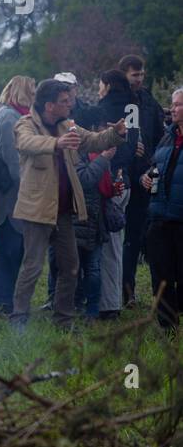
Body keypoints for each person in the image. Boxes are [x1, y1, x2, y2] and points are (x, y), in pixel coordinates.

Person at [10, 78, 127, 328]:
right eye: (65, 102)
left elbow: (94, 141)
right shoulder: (25, 124)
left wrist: (114, 134)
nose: (70, 105)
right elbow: (26, 143)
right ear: (50, 105)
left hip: (64, 211)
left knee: (71, 267)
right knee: (32, 268)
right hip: (36, 211)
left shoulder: (69, 126)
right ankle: (18, 319)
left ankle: (63, 320)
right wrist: (56, 143)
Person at [0, 76, 35, 315]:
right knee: (5, 248)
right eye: (32, 91)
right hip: (6, 198)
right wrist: (31, 185)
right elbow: (13, 162)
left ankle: (4, 297)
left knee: (12, 248)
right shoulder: (8, 118)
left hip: (13, 196)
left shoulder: (16, 116)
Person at [119, 55, 166, 306]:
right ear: (124, 74)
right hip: (118, 177)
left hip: (144, 178)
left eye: (141, 74)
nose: (139, 78)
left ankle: (130, 292)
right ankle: (115, 291)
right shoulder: (116, 100)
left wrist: (153, 168)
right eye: (135, 74)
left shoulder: (148, 100)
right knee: (118, 239)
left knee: (137, 238)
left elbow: (161, 136)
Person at [93, 69, 139, 317]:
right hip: (126, 180)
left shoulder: (105, 108)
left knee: (107, 246)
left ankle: (108, 304)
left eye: (100, 84)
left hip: (109, 181)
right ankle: (111, 299)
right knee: (115, 244)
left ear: (108, 84)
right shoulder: (135, 106)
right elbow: (135, 146)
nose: (99, 89)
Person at [143, 87, 183, 329]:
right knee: (160, 276)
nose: (173, 108)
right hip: (159, 216)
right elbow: (154, 166)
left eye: (179, 105)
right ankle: (167, 327)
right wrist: (145, 178)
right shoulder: (167, 136)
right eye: (173, 104)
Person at [73, 145, 118, 320]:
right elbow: (85, 179)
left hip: (96, 223)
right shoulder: (78, 155)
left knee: (93, 269)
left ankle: (91, 310)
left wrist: (114, 188)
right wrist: (104, 157)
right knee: (74, 269)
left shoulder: (99, 159)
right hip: (77, 221)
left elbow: (105, 188)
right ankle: (74, 306)